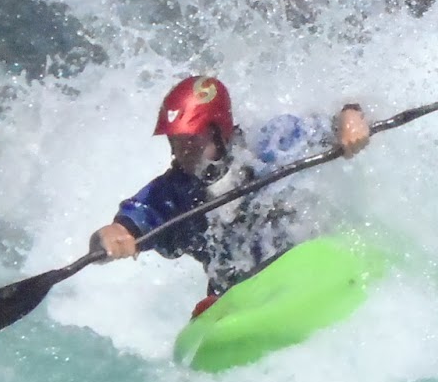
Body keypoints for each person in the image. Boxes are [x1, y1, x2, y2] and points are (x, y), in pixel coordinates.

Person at [89, 75, 372, 315]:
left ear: (217, 131)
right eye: (175, 142)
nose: (180, 153)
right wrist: (112, 236)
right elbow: (127, 222)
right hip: (238, 296)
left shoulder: (268, 143)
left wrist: (350, 120)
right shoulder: (173, 192)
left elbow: (339, 119)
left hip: (306, 262)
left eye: (190, 141)